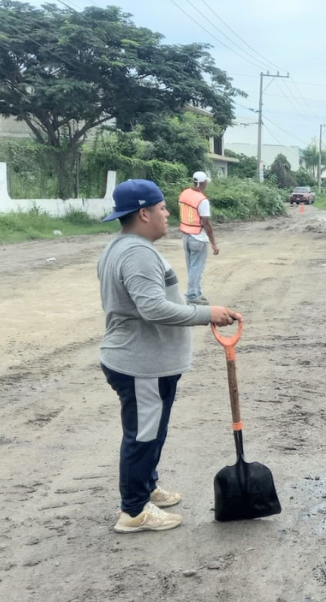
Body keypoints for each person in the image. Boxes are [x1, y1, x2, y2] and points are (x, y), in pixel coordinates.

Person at [98, 179, 243, 533]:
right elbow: (153, 309)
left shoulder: (124, 246)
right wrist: (206, 314)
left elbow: (156, 303)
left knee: (152, 431)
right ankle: (134, 511)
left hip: (145, 361)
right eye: (163, 208)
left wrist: (200, 308)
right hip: (141, 364)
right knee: (144, 435)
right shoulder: (137, 254)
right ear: (144, 213)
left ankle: (146, 486)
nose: (168, 215)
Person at [179, 171, 218, 305]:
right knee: (197, 268)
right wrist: (213, 243)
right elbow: (206, 223)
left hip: (186, 235)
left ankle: (196, 292)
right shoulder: (202, 200)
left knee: (191, 266)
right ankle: (191, 294)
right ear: (203, 183)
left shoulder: (184, 194)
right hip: (198, 237)